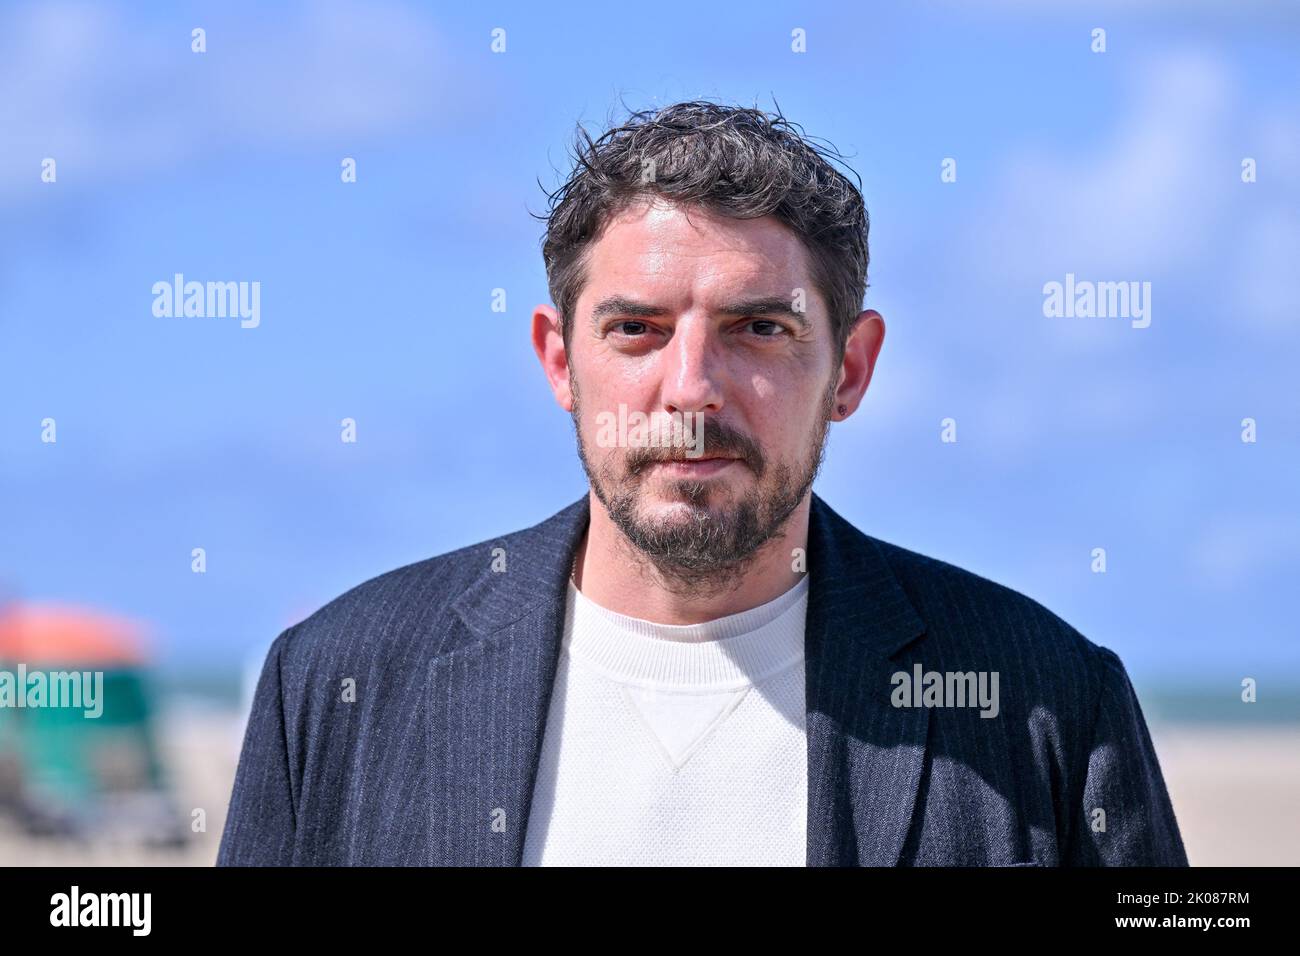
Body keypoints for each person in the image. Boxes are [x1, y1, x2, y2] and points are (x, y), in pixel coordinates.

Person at [217, 101, 1187, 867]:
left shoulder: (1049, 702)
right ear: (559, 361)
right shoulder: (335, 685)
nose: (690, 386)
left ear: (848, 369)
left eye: (758, 328)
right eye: (635, 328)